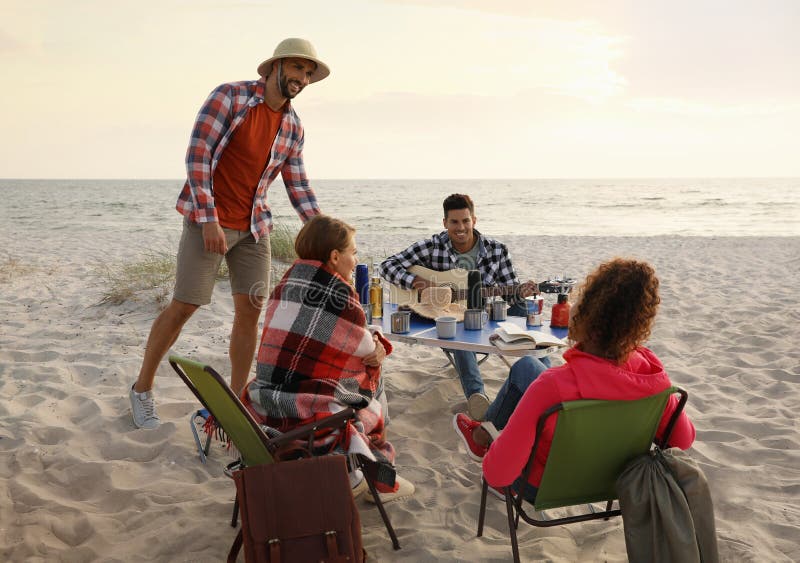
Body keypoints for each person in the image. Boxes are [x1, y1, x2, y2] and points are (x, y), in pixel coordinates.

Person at [129, 38, 328, 429]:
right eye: (296, 68)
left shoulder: (292, 125)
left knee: (250, 311)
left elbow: (297, 183)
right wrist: (208, 219)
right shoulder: (231, 97)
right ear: (273, 67)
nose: (302, 78)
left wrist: (323, 230)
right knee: (185, 305)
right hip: (209, 221)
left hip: (255, 227)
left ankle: (236, 405)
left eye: (308, 72)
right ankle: (142, 389)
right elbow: (197, 156)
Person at [453, 258, 696, 500]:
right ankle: (483, 433)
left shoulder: (551, 386)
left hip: (544, 487)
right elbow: (682, 441)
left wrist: (501, 446)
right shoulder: (653, 377)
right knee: (531, 366)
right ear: (642, 322)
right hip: (616, 484)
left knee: (529, 371)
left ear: (586, 310)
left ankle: (482, 434)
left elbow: (497, 474)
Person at [243, 215, 414, 503]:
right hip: (303, 416)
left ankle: (374, 468)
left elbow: (340, 340)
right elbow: (363, 352)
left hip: (263, 405)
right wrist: (378, 344)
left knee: (362, 364)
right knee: (371, 375)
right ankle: (376, 471)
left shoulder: (285, 284)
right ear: (335, 256)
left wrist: (373, 341)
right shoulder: (337, 294)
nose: (355, 259)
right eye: (353, 253)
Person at [378, 193, 538, 420]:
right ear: (445, 223)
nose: (460, 227)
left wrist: (520, 293)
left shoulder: (497, 251)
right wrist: (420, 283)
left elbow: (510, 292)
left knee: (524, 309)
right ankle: (477, 397)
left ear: (474, 220)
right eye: (454, 222)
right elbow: (387, 266)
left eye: (465, 221)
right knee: (458, 327)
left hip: (485, 321)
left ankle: (541, 380)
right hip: (446, 322)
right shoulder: (432, 247)